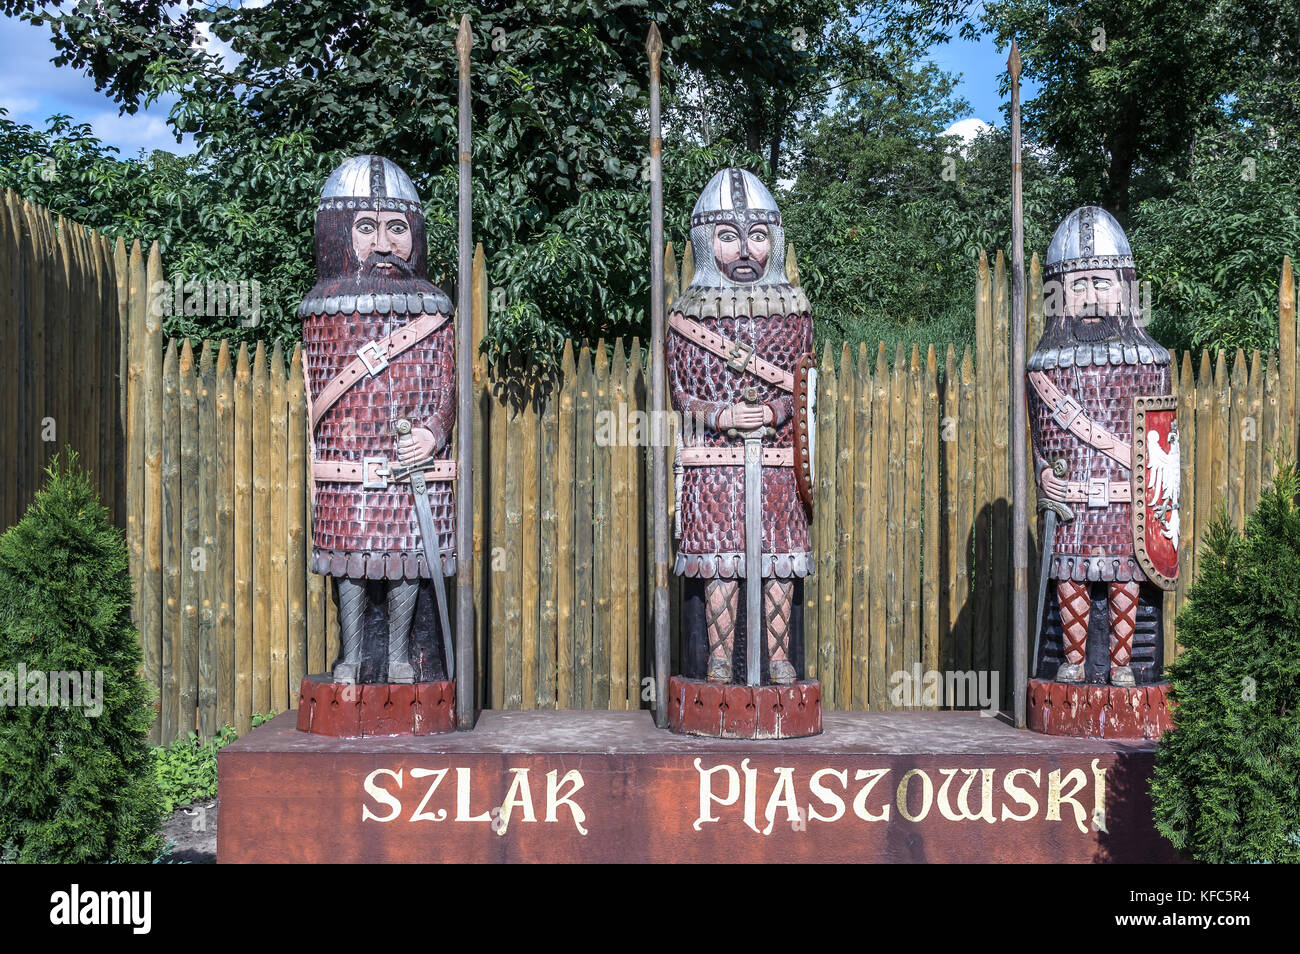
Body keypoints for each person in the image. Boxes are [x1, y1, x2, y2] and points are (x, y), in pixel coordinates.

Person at [299, 155, 456, 684]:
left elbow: (447, 387)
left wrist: (434, 431)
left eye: (396, 228)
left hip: (416, 468)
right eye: (367, 228)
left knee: (408, 560)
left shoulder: (434, 309)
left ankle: (398, 657)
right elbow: (321, 391)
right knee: (350, 560)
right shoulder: (323, 311)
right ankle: (351, 657)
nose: (385, 245)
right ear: (340, 232)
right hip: (349, 465)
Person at [668, 168, 814, 685]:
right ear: (707, 244)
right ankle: (718, 660)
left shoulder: (795, 313)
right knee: (718, 564)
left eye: (757, 236)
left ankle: (777, 658)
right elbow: (681, 392)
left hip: (776, 466)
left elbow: (804, 385)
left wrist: (775, 412)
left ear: (773, 240)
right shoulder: (686, 315)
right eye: (728, 238)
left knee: (781, 563)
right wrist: (721, 415)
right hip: (714, 467)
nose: (746, 250)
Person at [1028, 205, 1177, 686]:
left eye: (1100, 282)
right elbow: (1041, 440)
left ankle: (1122, 668)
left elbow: (1162, 444)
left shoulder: (1150, 361)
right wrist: (1043, 476)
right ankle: (1071, 664)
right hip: (1072, 510)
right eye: (1079, 284)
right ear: (1058, 293)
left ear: (1124, 287)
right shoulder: (1044, 366)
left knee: (1124, 581)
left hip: (1125, 506)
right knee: (1069, 577)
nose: (1090, 295)